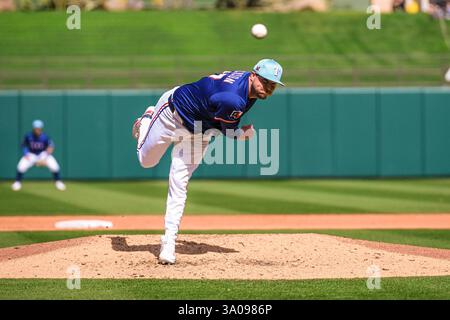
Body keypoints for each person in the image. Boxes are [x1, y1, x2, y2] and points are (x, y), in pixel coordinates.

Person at [132, 58, 284, 265]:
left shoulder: (250, 88)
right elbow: (229, 131)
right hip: (172, 114)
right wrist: (243, 134)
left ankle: (169, 242)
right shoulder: (233, 99)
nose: (268, 87)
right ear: (254, 75)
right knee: (146, 161)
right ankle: (147, 120)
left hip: (200, 131)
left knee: (179, 182)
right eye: (265, 81)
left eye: (273, 84)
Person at [11, 120, 66, 191]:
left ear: (41, 129)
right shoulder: (28, 136)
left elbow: (51, 147)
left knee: (55, 166)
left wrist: (45, 158)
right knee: (21, 166)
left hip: (43, 154)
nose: (37, 130)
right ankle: (17, 182)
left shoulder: (45, 136)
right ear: (33, 129)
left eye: (39, 129)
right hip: (31, 154)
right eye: (36, 128)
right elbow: (24, 145)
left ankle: (58, 182)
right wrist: (26, 154)